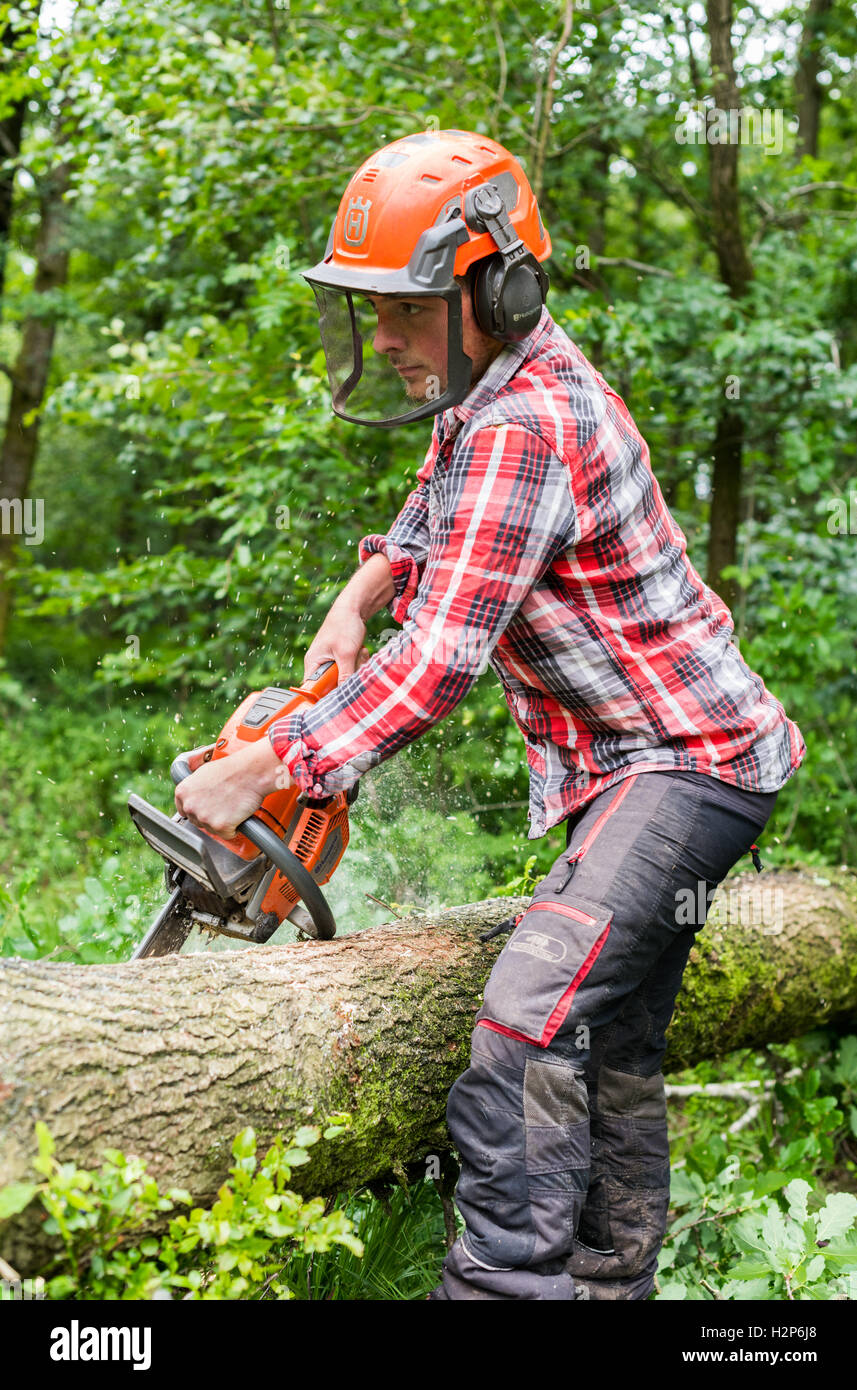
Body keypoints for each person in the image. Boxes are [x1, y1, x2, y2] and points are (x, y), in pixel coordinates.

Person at [175, 129, 806, 1301]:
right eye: (371, 312)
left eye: (407, 311)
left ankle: (504, 1291)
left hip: (688, 766)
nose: (387, 340)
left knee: (524, 1023)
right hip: (634, 766)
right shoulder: (490, 395)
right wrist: (360, 592)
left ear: (496, 290)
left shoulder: (525, 423)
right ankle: (612, 1285)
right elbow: (431, 516)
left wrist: (265, 766)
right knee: (606, 1036)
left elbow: (435, 672)